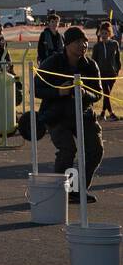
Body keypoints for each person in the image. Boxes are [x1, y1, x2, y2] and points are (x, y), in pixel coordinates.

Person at [35, 27, 103, 203]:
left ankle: (77, 190)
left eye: (85, 41)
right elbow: (36, 89)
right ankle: (58, 191)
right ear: (68, 44)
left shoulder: (90, 65)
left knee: (95, 149)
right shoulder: (52, 63)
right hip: (57, 115)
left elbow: (98, 94)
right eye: (79, 41)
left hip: (83, 114)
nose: (84, 45)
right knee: (67, 150)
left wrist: (82, 92)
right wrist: (59, 91)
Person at [92, 21, 120, 120]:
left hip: (112, 73)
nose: (103, 35)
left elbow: (117, 60)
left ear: (109, 33)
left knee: (106, 95)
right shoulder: (97, 46)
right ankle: (111, 113)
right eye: (102, 33)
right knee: (106, 92)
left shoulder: (114, 44)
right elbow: (93, 61)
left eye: (106, 33)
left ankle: (103, 112)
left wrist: (117, 71)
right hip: (101, 74)